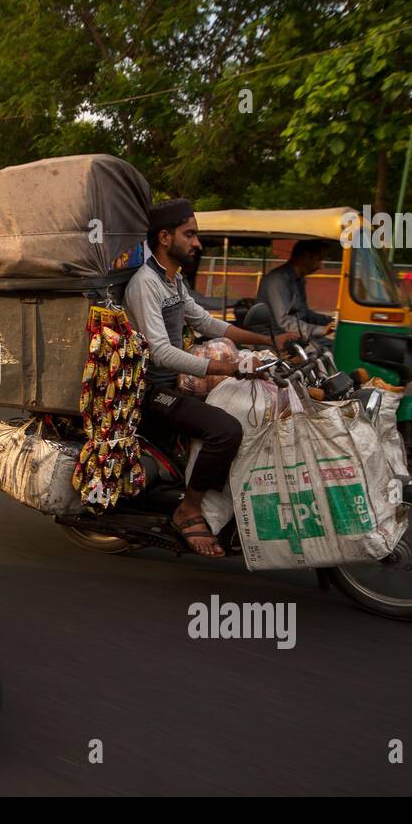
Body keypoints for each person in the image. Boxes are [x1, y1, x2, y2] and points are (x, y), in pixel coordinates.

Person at [125, 199, 294, 558]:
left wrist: (268, 339)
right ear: (165, 237)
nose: (197, 243)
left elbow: (206, 323)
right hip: (150, 390)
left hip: (173, 383)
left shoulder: (172, 279)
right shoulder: (145, 284)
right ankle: (188, 508)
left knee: (251, 410)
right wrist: (230, 368)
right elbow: (161, 353)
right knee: (226, 430)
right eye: (191, 235)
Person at [256, 240, 335, 344]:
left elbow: (304, 313)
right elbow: (284, 321)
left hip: (294, 337)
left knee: (335, 346)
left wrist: (330, 321)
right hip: (276, 340)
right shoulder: (278, 281)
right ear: (306, 256)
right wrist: (320, 330)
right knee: (328, 351)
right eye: (319, 260)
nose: (320, 266)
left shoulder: (298, 280)